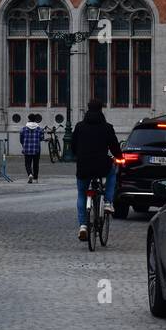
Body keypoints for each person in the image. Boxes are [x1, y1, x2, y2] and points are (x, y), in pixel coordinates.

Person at [72, 99, 121, 242]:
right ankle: (108, 202)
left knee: (82, 194)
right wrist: (119, 157)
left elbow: (73, 147)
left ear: (87, 109)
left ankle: (82, 226)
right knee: (112, 173)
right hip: (102, 165)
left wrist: (80, 155)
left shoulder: (79, 127)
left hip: (83, 166)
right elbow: (114, 147)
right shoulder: (107, 127)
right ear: (101, 109)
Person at [19, 113, 43, 183]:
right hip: (36, 149)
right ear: (35, 120)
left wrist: (24, 144)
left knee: (27, 163)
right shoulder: (39, 129)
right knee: (36, 164)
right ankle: (35, 178)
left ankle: (30, 174)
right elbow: (41, 138)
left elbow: (21, 140)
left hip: (27, 149)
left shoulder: (23, 129)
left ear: (28, 119)